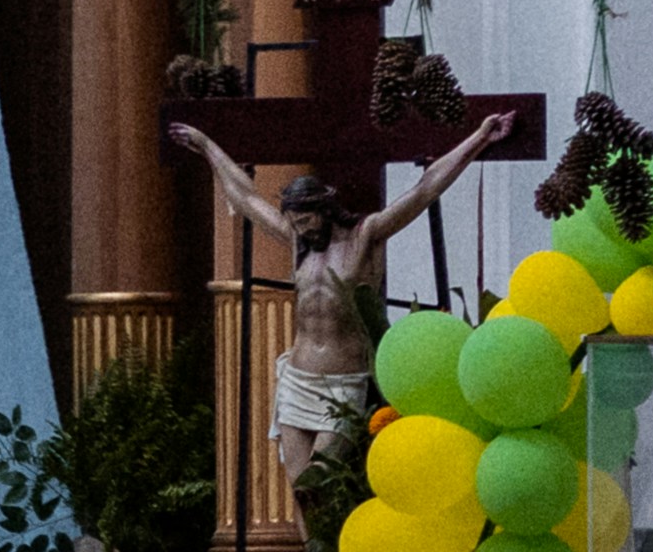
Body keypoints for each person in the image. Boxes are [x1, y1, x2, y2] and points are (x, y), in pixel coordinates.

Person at [162, 94, 517, 515]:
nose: (299, 228)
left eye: (306, 219)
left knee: (320, 484)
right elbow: (245, 199)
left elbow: (424, 191)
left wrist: (478, 139)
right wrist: (206, 146)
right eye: (293, 220)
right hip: (297, 379)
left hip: (344, 383)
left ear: (325, 210)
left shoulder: (366, 237)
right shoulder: (299, 244)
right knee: (301, 493)